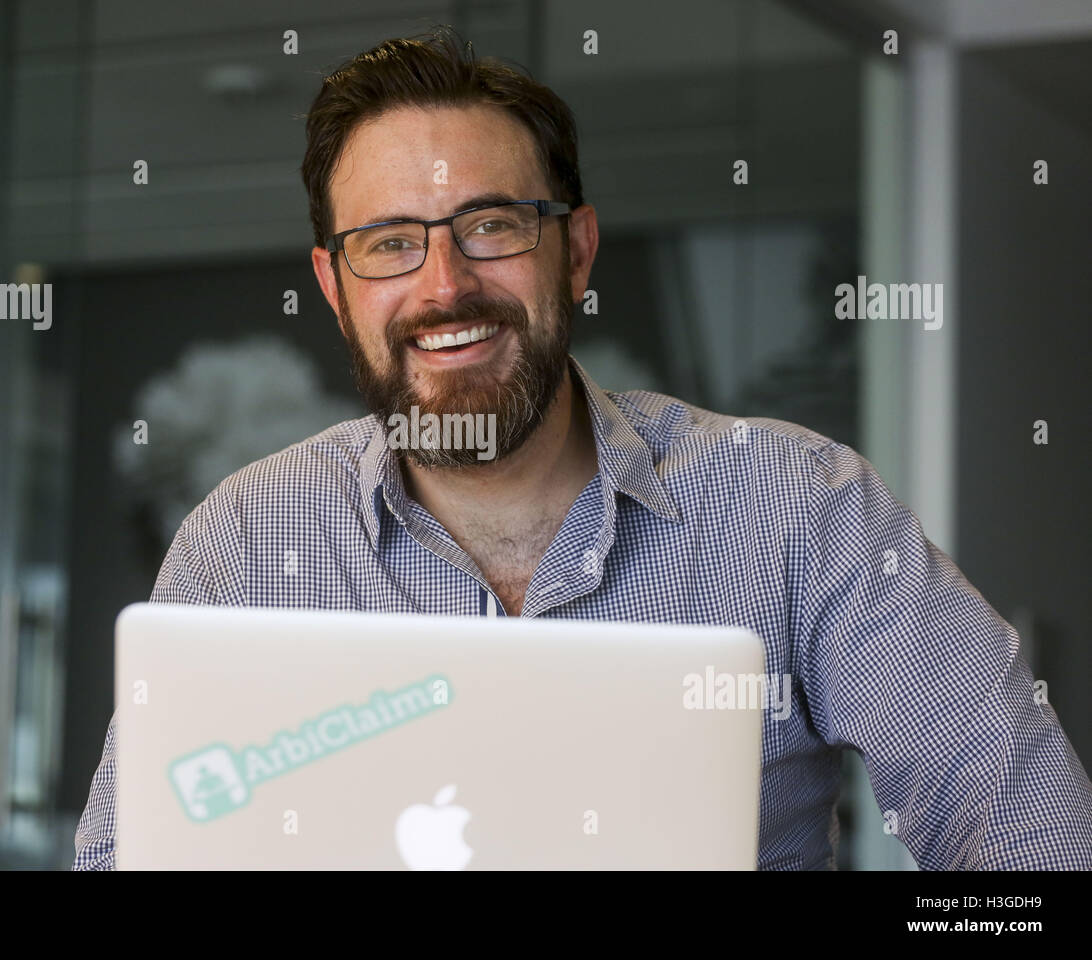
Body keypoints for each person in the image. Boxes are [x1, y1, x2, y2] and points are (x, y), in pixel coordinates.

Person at [74, 26, 1092, 870]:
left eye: (491, 225)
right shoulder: (247, 544)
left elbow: (1034, 844)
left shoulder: (796, 506)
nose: (442, 287)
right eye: (390, 243)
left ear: (577, 252)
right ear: (336, 289)